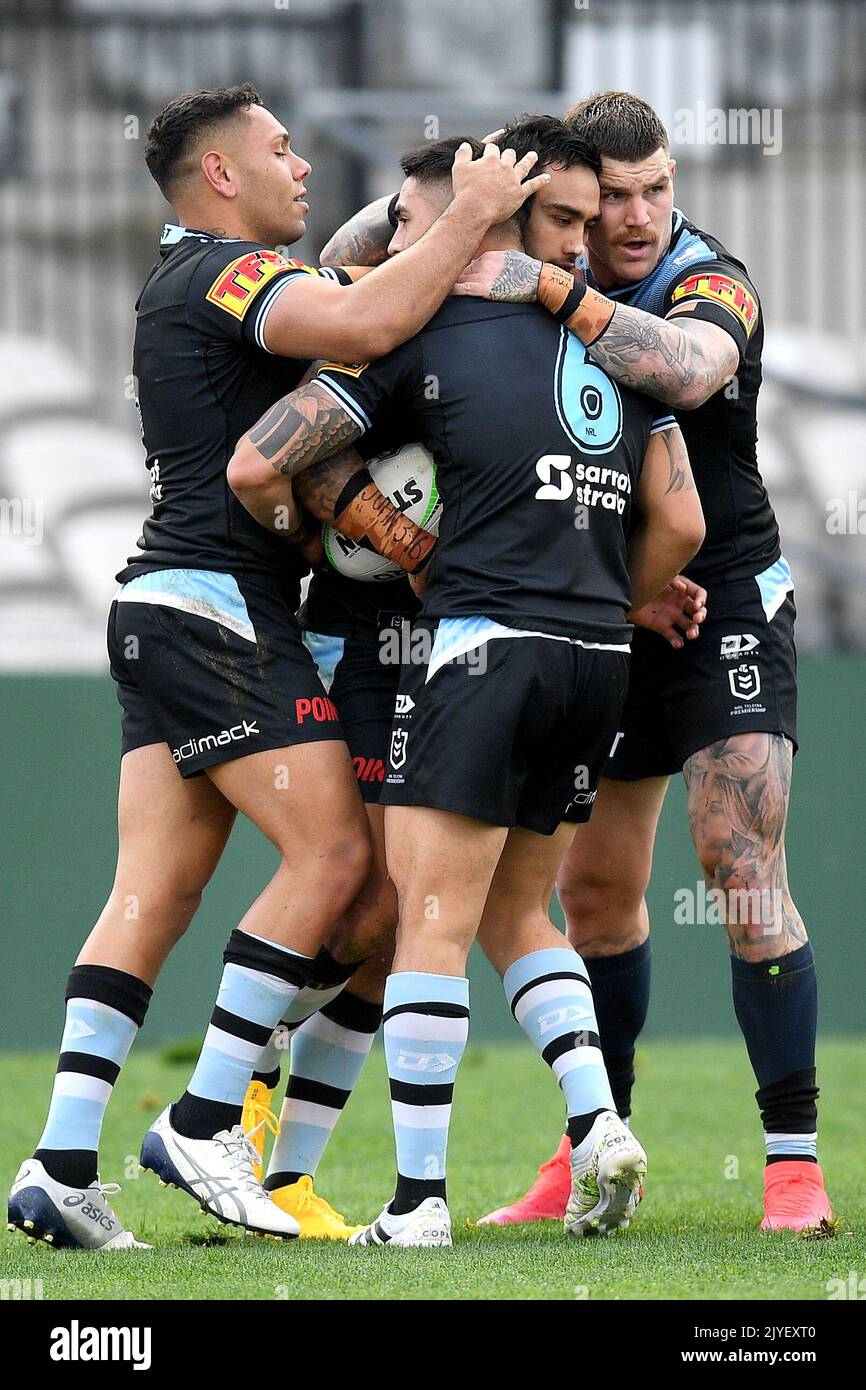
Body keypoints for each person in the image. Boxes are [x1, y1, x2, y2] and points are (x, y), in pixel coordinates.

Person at [7, 85, 546, 1251]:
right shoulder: (225, 271)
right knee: (339, 855)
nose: (301, 166)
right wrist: (468, 213)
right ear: (219, 174)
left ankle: (59, 1164)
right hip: (219, 612)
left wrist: (417, 236)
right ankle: (207, 1120)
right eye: (280, 147)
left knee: (151, 895)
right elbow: (367, 321)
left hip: (161, 609)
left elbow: (359, 291)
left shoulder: (204, 277)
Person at [228, 134, 705, 1247]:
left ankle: (418, 1204)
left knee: (430, 927)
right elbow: (681, 524)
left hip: (482, 645)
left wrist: (373, 544)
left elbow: (261, 460)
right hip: (598, 660)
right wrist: (610, 593)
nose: (584, 240)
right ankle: (598, 1122)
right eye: (570, 220)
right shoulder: (618, 342)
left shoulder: (426, 327)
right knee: (521, 913)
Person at [458, 91, 833, 1236]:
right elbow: (364, 244)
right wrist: (467, 196)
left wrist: (551, 291)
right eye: (611, 194)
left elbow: (685, 372)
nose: (633, 214)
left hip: (723, 607)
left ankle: (792, 1169)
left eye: (654, 188)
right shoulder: (545, 254)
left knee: (737, 866)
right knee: (592, 894)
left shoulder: (705, 279)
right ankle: (592, 1150)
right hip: (611, 608)